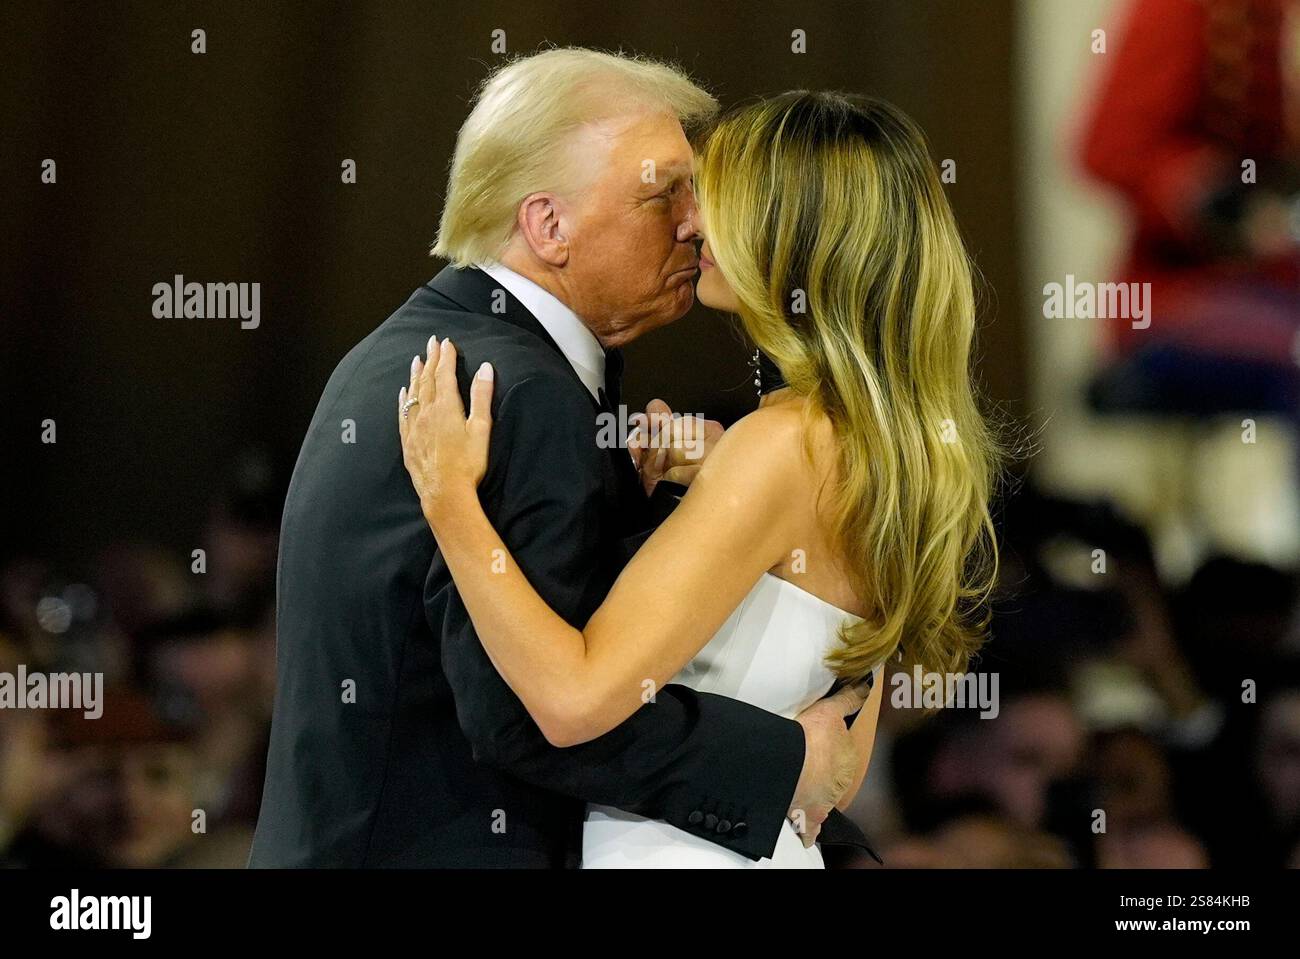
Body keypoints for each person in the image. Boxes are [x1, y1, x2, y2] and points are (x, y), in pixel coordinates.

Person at [249, 49, 871, 868]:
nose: (695, 220)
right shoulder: (513, 387)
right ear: (549, 226)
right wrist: (790, 763)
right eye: (663, 193)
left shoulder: (422, 346)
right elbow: (527, 711)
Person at [397, 90, 1002, 867]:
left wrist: (451, 500)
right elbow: (836, 778)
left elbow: (572, 701)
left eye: (714, 196)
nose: (690, 222)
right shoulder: (871, 447)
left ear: (788, 231)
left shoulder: (779, 448)